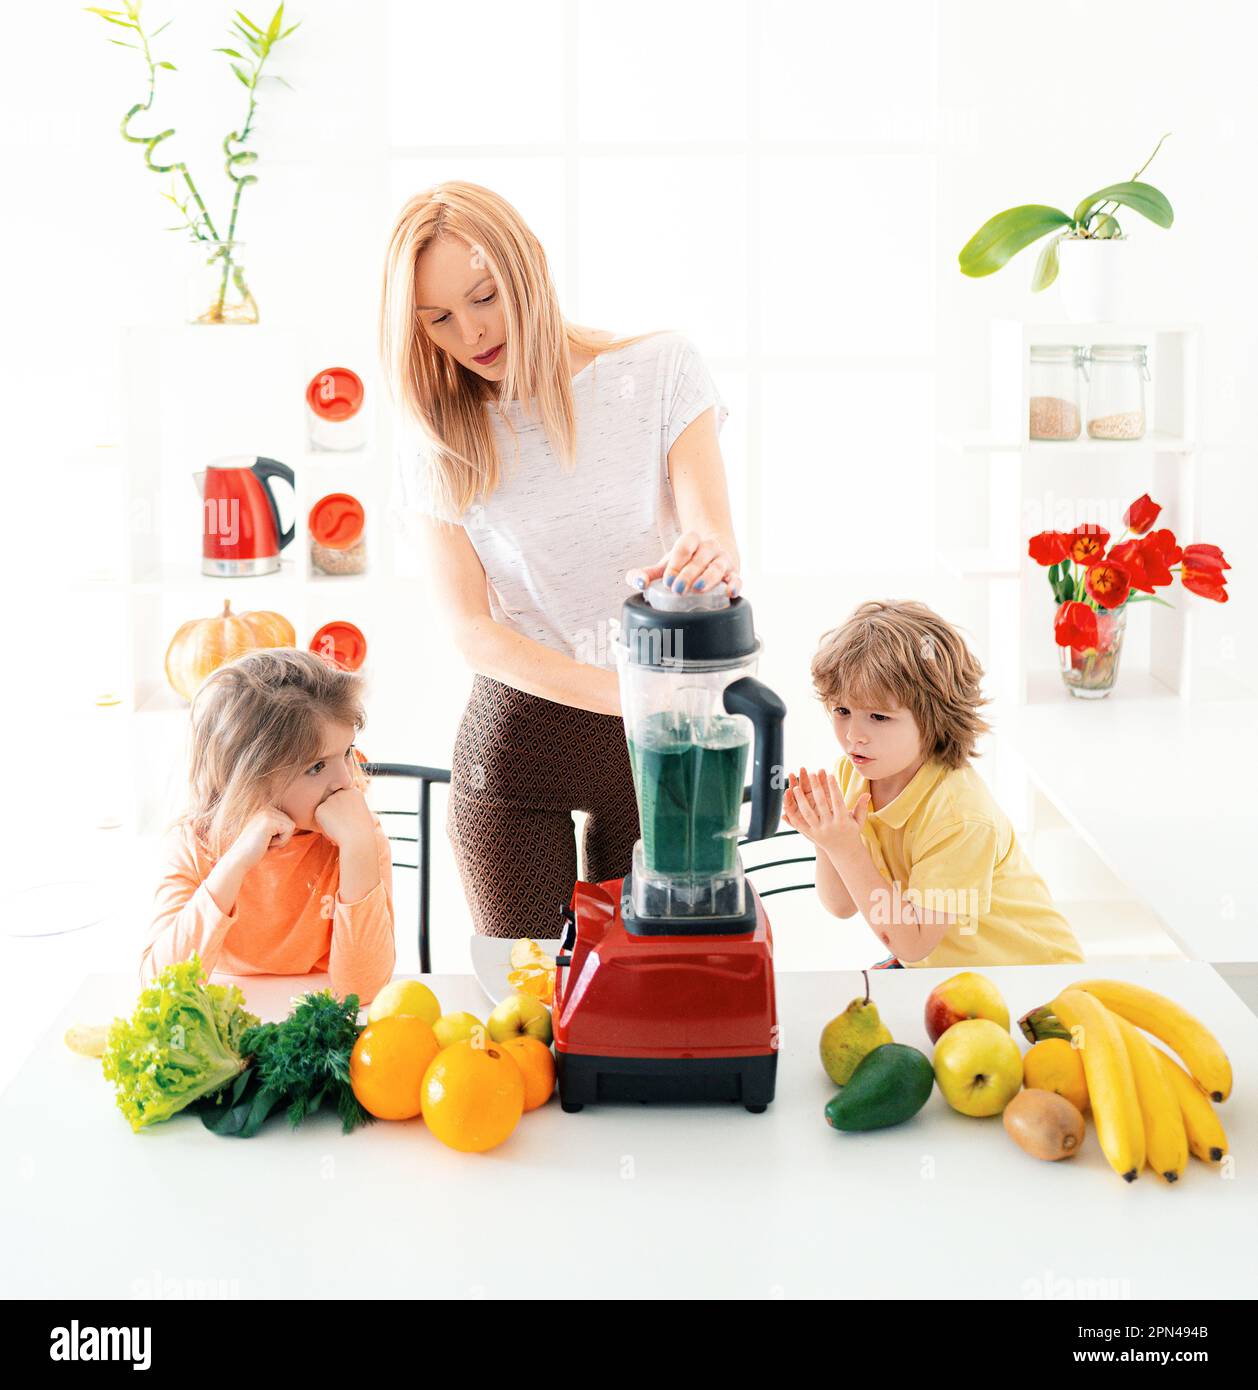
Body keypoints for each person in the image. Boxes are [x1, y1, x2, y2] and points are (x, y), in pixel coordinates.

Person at [380, 179, 741, 939]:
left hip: (661, 745)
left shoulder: (662, 370)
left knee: (645, 988)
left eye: (485, 297)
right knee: (529, 1010)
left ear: (531, 264)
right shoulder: (436, 441)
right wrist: (628, 694)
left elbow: (713, 539)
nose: (471, 333)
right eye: (438, 319)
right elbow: (472, 632)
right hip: (520, 746)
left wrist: (704, 567)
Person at [783, 599, 1085, 968]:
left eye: (878, 716)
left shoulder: (960, 817)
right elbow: (840, 905)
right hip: (947, 978)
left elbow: (913, 943)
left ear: (934, 719)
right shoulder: (854, 774)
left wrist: (845, 846)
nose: (854, 736)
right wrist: (827, 839)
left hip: (1030, 979)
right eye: (842, 711)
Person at [141, 649, 396, 1003]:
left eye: (348, 752)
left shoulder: (359, 839)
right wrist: (235, 864)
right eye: (316, 767)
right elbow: (159, 987)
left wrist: (358, 851)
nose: (346, 781)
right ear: (250, 780)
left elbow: (363, 990)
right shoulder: (193, 846)